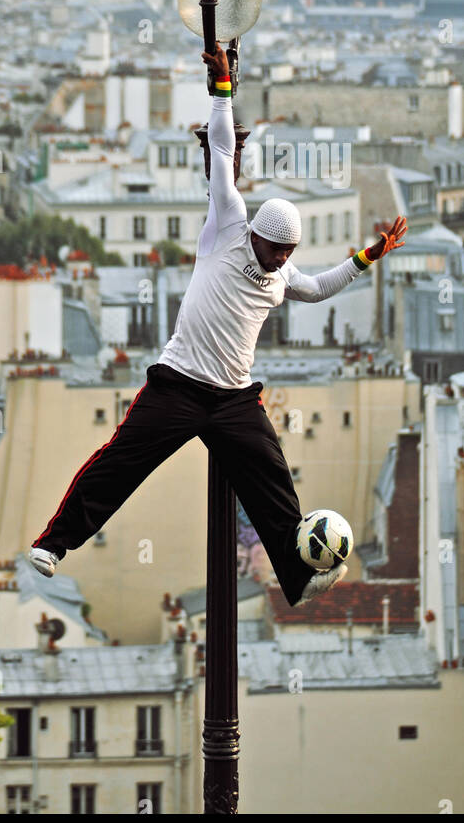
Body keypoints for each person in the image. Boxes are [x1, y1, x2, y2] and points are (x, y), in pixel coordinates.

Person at [29, 42, 407, 607]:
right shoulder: (227, 225)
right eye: (275, 248)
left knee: (273, 483)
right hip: (178, 385)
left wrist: (368, 257)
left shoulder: (283, 276)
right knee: (122, 463)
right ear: (255, 233)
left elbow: (320, 287)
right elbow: (225, 149)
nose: (279, 259)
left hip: (232, 398)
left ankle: (298, 576)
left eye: (287, 252)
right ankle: (55, 544)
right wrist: (223, 87)